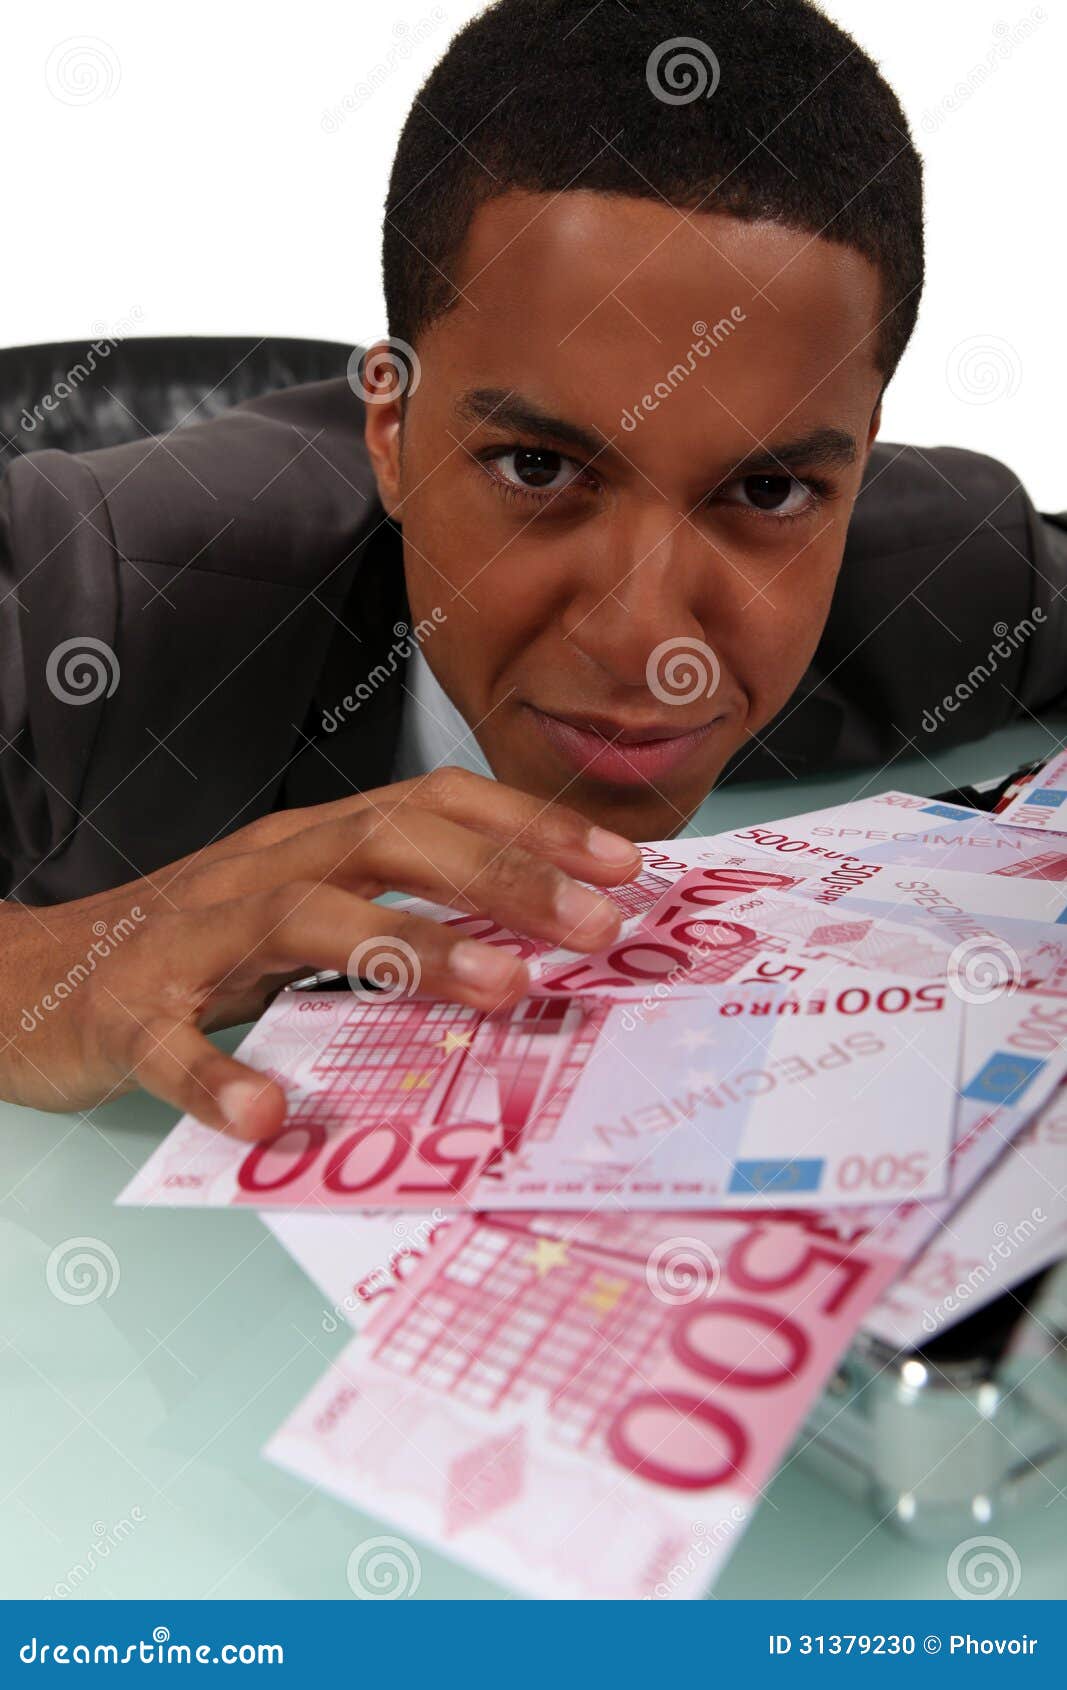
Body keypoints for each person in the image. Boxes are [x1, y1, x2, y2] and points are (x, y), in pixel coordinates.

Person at [1, 0, 1064, 1137]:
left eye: (764, 492)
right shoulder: (94, 594)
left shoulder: (938, 571)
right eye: (537, 466)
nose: (646, 639)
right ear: (390, 434)